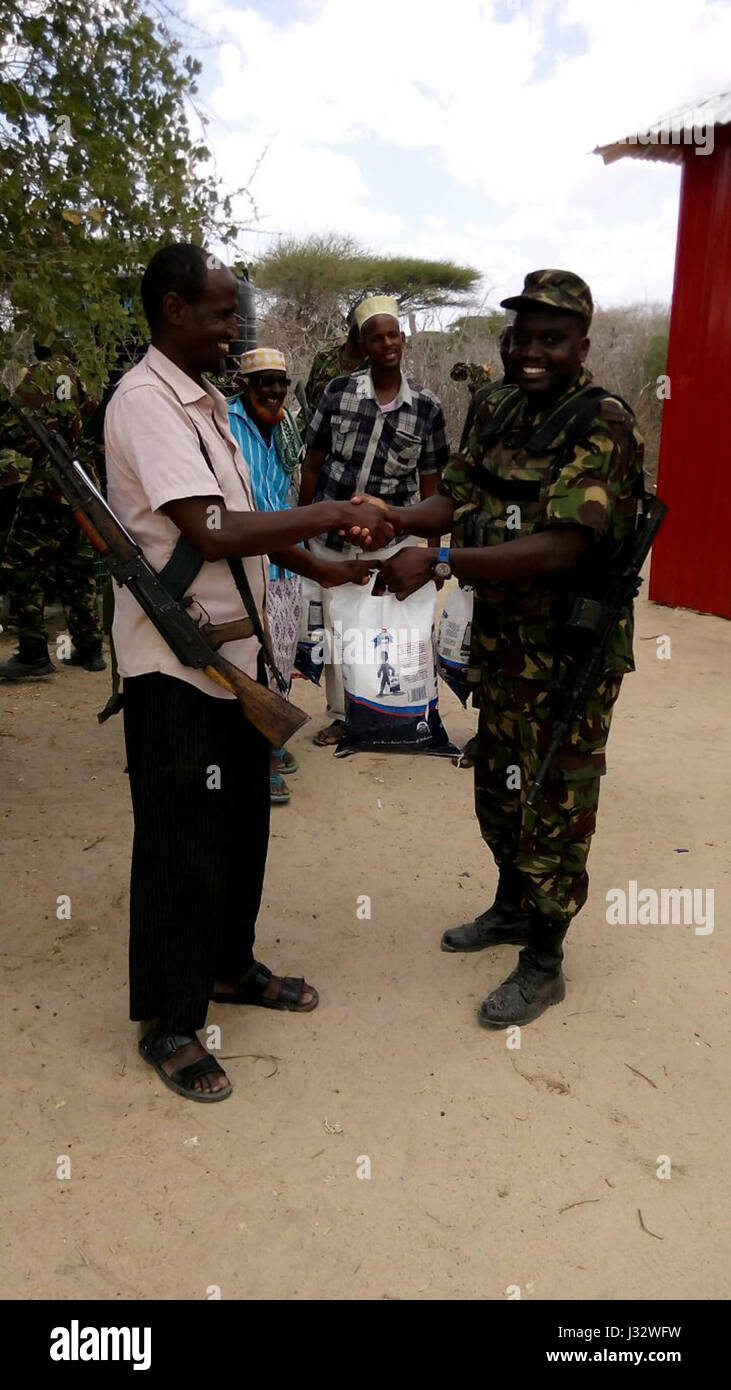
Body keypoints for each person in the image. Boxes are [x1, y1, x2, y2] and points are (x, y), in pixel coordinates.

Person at [104, 243, 390, 1102]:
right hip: (175, 668)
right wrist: (341, 510)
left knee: (240, 834)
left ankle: (229, 969)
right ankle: (171, 1021)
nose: (237, 329)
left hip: (236, 662)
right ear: (172, 310)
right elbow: (215, 531)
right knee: (180, 845)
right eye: (224, 313)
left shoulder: (211, 405)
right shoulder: (146, 402)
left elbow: (256, 523)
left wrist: (321, 564)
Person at [358, 270, 644, 1029]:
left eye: (551, 338)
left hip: (569, 650)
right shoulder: (495, 405)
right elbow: (452, 497)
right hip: (504, 642)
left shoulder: (601, 423)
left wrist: (443, 562)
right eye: (521, 335)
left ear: (580, 344)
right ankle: (512, 906)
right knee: (500, 785)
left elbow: (559, 547)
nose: (531, 351)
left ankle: (544, 961)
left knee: (554, 799)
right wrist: (394, 519)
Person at [299, 293, 449, 745]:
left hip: (391, 542)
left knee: (386, 629)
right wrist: (304, 527)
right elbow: (313, 463)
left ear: (403, 339)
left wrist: (434, 554)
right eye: (375, 337)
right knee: (339, 629)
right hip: (332, 537)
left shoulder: (426, 406)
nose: (387, 344)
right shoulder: (338, 392)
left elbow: (432, 486)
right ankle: (346, 716)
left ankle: (393, 717)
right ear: (363, 346)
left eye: (393, 335)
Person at [227, 347, 305, 805]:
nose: (274, 391)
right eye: (265, 383)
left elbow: (290, 483)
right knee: (258, 655)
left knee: (284, 650)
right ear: (245, 386)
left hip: (286, 557)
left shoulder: (286, 425)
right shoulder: (227, 424)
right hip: (248, 558)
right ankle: (264, 758)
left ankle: (272, 738)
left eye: (281, 382)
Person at [0, 349, 106, 679]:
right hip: (84, 488)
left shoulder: (41, 375)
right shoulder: (86, 379)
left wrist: (31, 450)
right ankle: (90, 649)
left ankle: (33, 653)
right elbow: (96, 428)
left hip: (48, 487)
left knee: (21, 567)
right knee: (77, 569)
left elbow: (11, 426)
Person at [304, 306, 368, 413]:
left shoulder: (375, 367)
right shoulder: (324, 358)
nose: (363, 327)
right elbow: (308, 401)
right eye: (360, 319)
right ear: (349, 320)